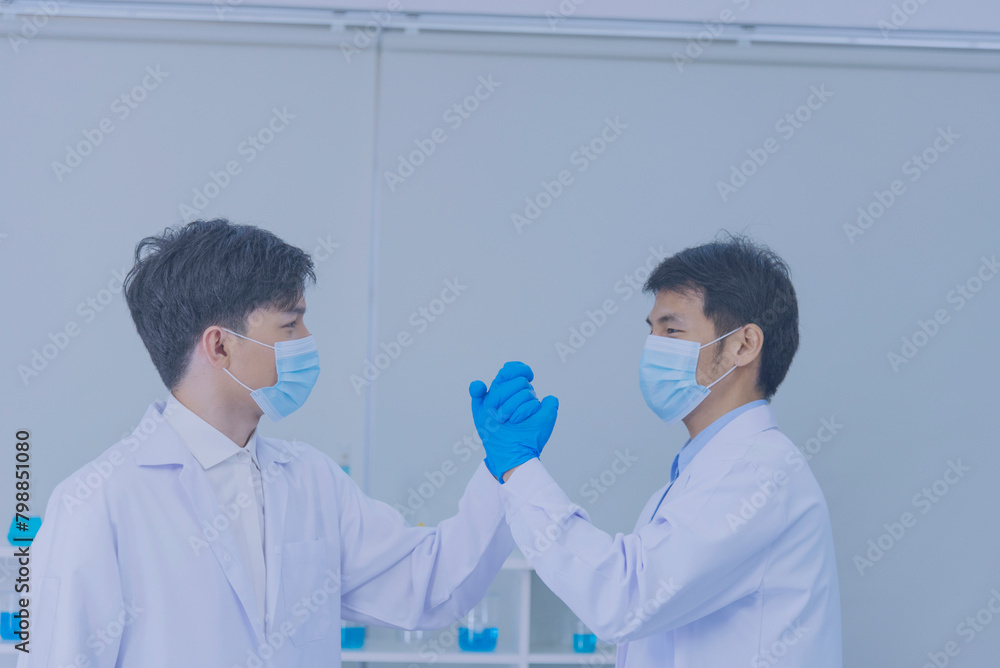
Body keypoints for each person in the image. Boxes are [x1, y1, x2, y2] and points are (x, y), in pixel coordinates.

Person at [20, 219, 543, 668]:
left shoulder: (311, 481)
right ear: (220, 344)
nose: (307, 340)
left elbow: (428, 586)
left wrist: (506, 470)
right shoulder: (97, 503)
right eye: (290, 323)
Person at [469, 234, 843, 667]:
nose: (654, 347)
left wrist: (519, 467)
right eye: (653, 331)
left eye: (672, 330)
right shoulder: (706, 471)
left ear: (743, 345)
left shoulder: (758, 474)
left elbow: (624, 598)